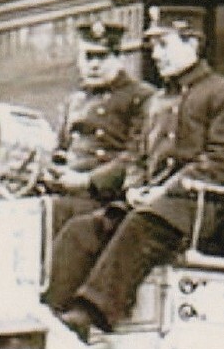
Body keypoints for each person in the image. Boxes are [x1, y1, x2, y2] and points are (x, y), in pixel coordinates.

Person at [52, 6, 224, 338]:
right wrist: (133, 188)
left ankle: (91, 312)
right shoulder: (157, 100)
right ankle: (50, 310)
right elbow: (138, 158)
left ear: (192, 43)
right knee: (81, 230)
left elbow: (221, 162)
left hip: (199, 206)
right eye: (154, 46)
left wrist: (165, 190)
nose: (156, 55)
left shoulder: (223, 93)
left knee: (140, 224)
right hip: (154, 205)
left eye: (163, 45)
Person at [46, 16, 156, 231]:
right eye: (88, 57)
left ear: (118, 58)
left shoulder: (141, 96)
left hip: (105, 198)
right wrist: (53, 172)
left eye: (102, 57)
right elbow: (60, 151)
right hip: (67, 192)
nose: (94, 65)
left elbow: (135, 156)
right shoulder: (74, 101)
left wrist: (88, 180)